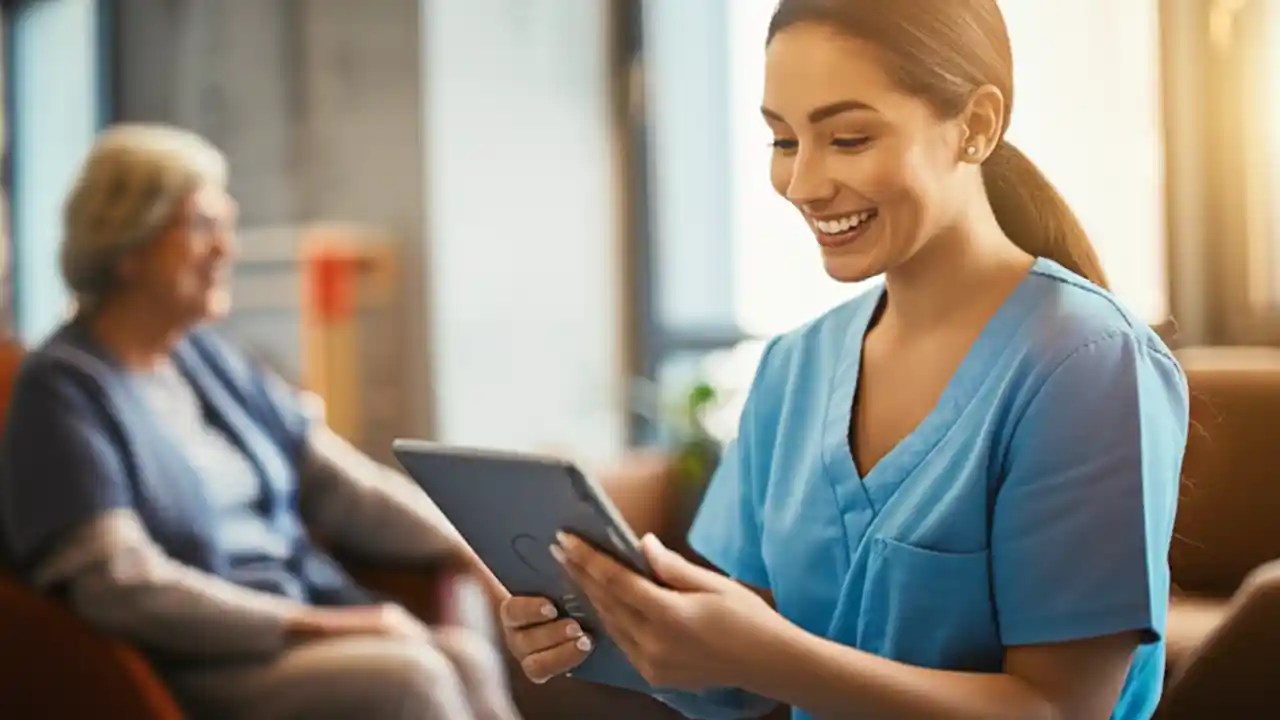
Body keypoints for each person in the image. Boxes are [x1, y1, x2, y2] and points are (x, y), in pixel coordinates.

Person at [500, 1, 1188, 718]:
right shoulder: (793, 369)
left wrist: (760, 653)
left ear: (977, 125)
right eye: (783, 141)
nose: (803, 184)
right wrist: (619, 634)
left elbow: (1057, 711)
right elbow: (738, 681)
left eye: (848, 138)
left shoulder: (1086, 364)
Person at [0, 124, 522, 720]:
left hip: (294, 630)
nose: (228, 248)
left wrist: (465, 544)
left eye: (226, 225)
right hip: (193, 664)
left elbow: (340, 484)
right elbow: (119, 584)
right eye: (201, 226)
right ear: (128, 245)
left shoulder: (205, 357)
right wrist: (320, 628)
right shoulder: (64, 387)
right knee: (411, 676)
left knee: (466, 655)